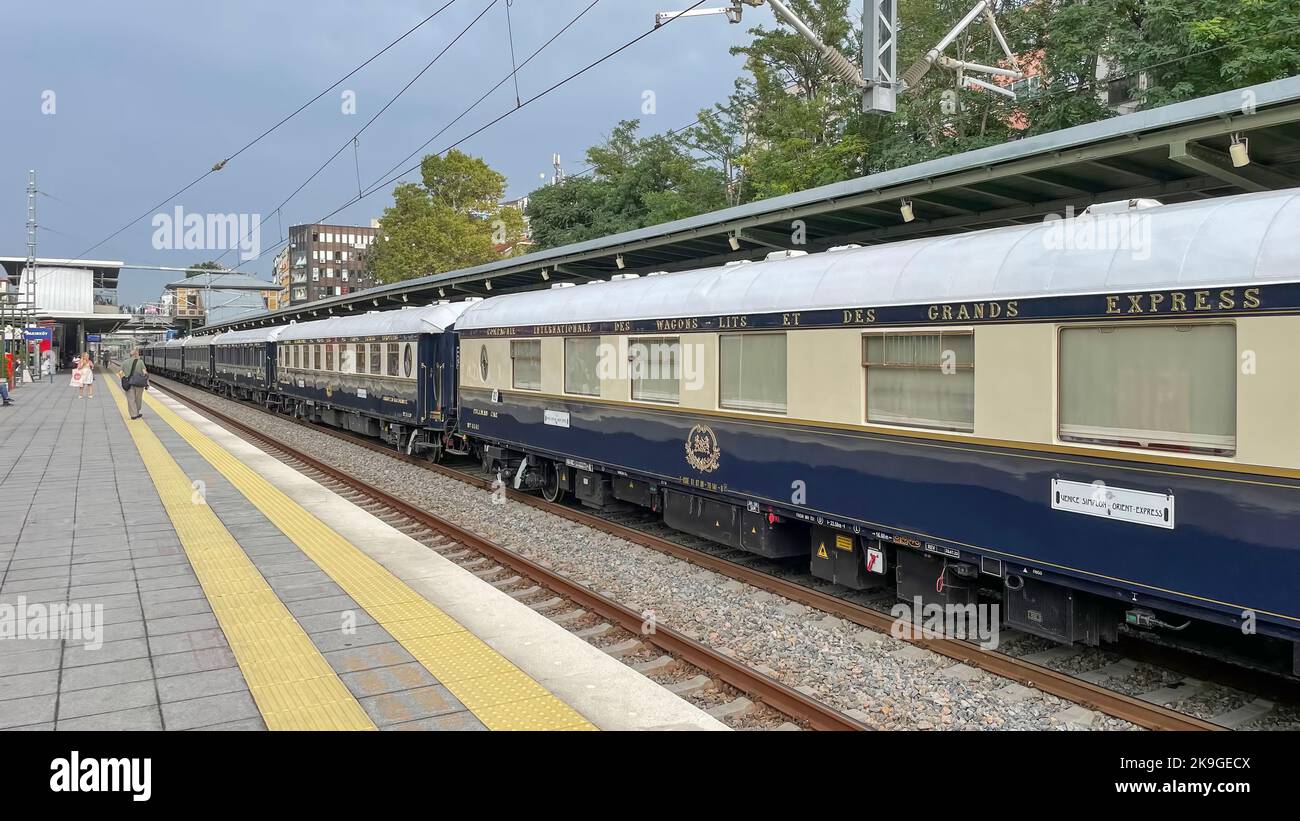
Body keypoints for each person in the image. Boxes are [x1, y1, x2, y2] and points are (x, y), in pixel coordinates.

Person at [118, 348, 148, 420]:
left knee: (131, 399)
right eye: (138, 354)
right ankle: (137, 412)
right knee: (138, 399)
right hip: (139, 384)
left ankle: (133, 415)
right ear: (135, 355)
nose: (139, 355)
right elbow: (145, 373)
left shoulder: (124, 362)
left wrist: (123, 379)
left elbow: (120, 373)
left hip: (129, 383)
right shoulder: (140, 362)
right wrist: (146, 383)